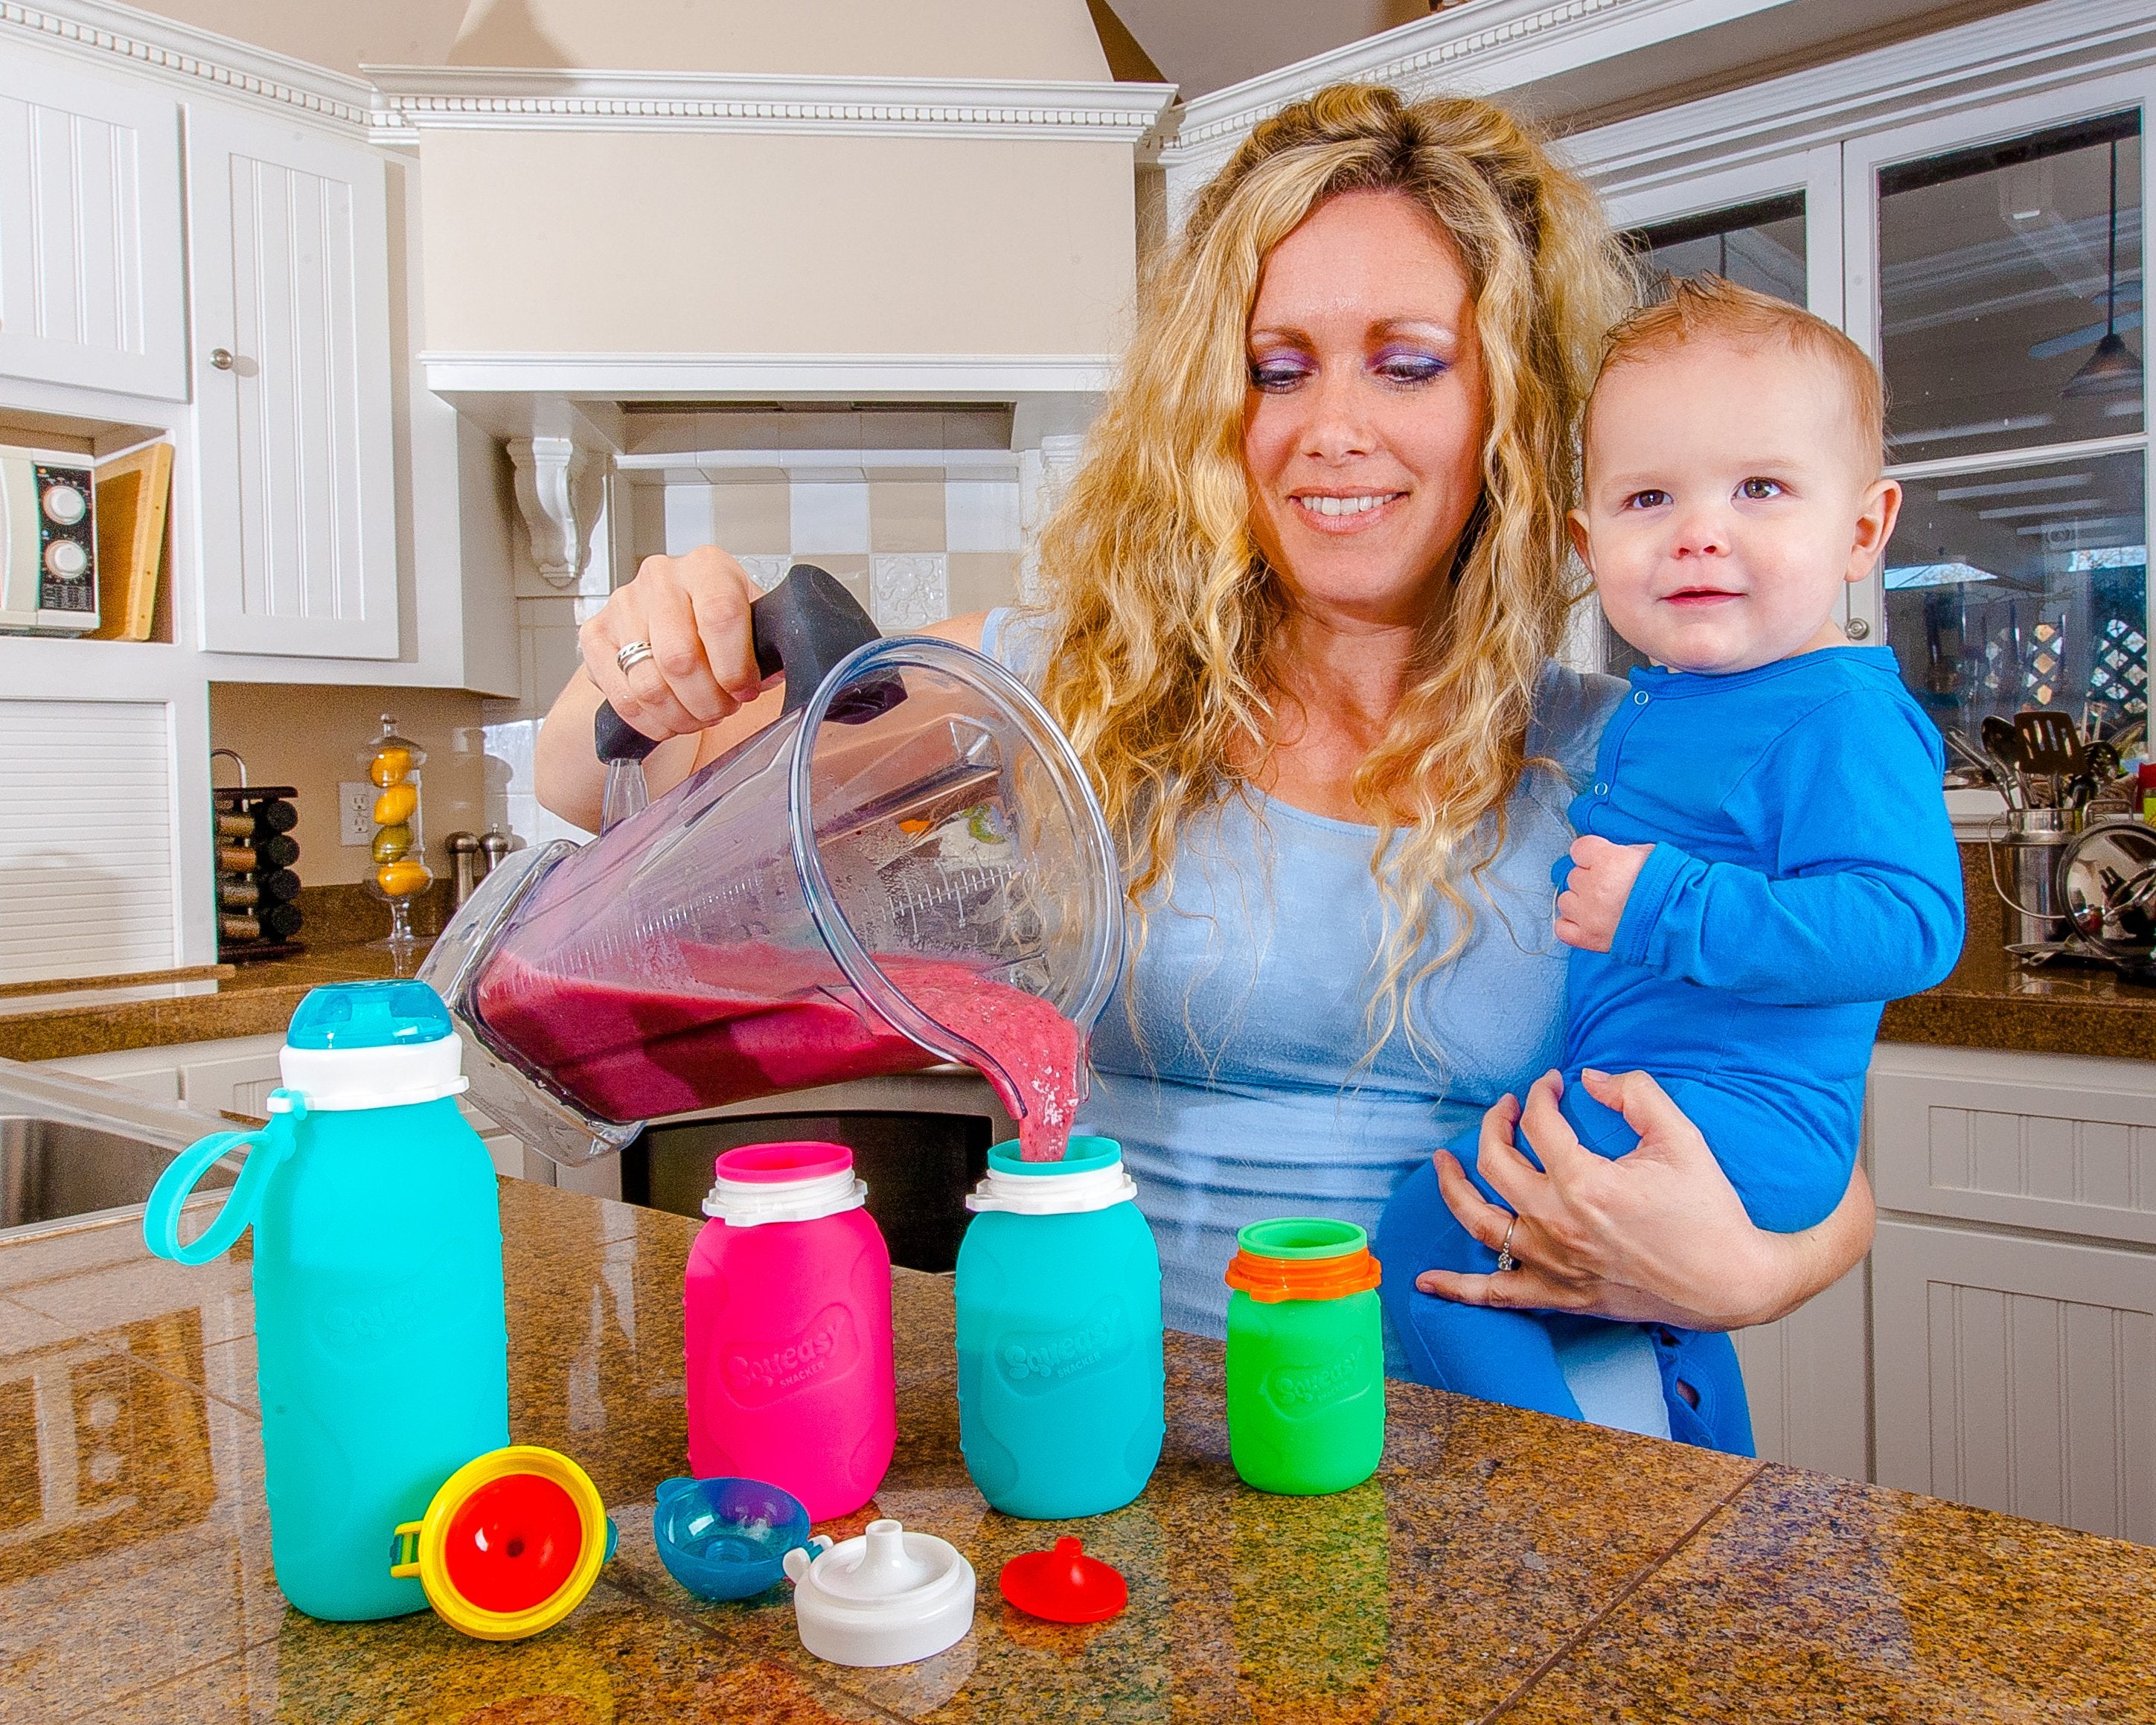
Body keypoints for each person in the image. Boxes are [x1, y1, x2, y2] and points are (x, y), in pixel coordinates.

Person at [535, 84, 1881, 1445]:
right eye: (1276, 367)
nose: (1328, 428)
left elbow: (1812, 1111)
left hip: (1537, 1469)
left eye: (1407, 364)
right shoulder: (1063, 691)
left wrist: (1758, 1272)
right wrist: (653, 653)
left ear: (1513, 410)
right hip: (1139, 1453)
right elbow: (601, 782)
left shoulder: (1634, 753)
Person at [1375, 278, 1963, 1445]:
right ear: (1590, 544)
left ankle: (1563, 1500)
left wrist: (1662, 902)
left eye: (1760, 488)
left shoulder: (1836, 713)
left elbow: (1909, 922)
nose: (1700, 529)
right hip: (1663, 1102)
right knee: (1641, 1317)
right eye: (1649, 496)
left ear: (1861, 530)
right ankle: (1706, 1488)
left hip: (1736, 1126)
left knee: (1418, 1241)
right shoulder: (1668, 704)